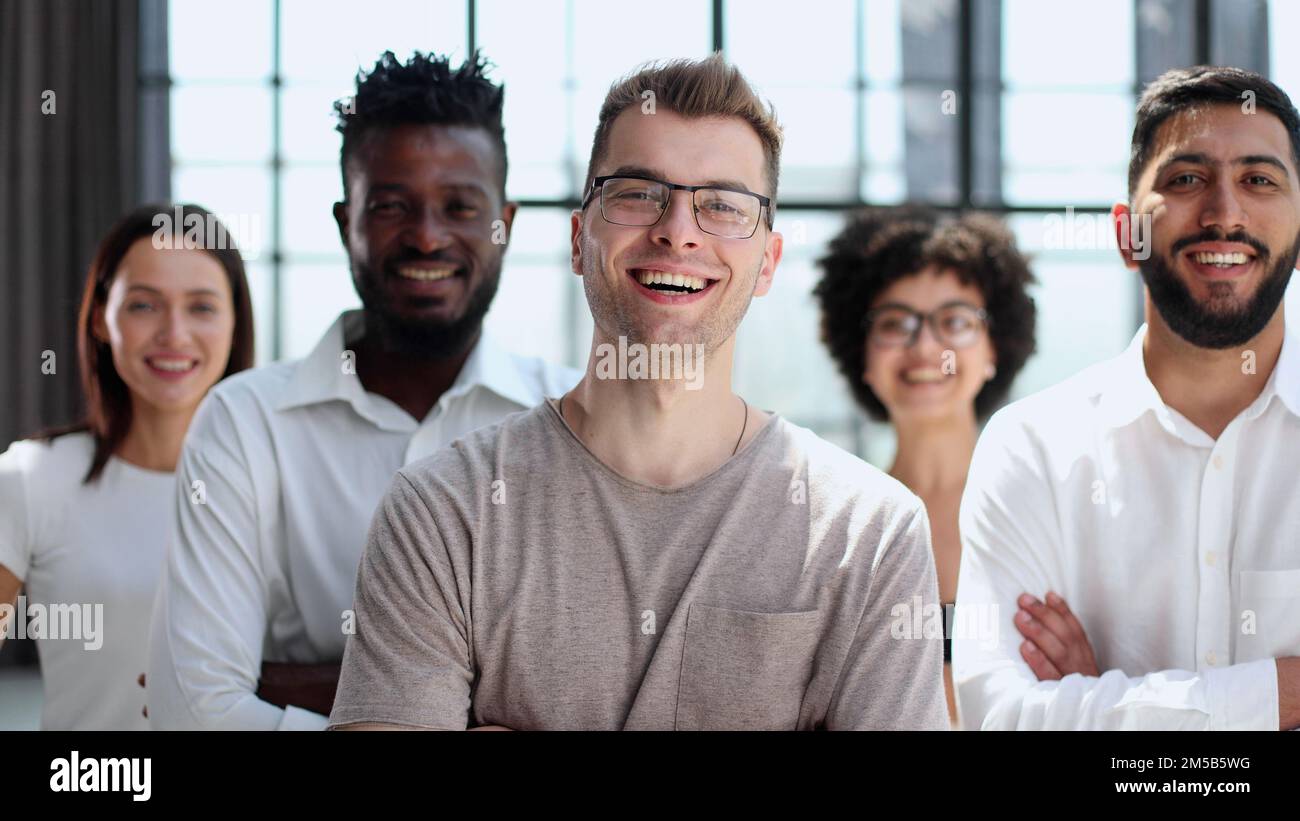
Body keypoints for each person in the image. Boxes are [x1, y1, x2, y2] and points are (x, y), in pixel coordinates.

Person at [328, 54, 949, 731]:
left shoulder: (870, 532)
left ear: (767, 261)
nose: (678, 229)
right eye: (637, 192)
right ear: (577, 238)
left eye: (721, 205)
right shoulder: (443, 515)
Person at [147, 51, 579, 730]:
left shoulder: (574, 421)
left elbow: (600, 698)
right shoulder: (244, 422)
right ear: (344, 220)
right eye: (390, 206)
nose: (427, 236)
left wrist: (303, 686)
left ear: (506, 224)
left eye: (460, 206)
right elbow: (189, 714)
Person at [954, 65, 1300, 730]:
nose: (1224, 213)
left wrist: (1103, 701)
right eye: (1186, 179)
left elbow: (1047, 719)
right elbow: (1000, 716)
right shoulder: (1032, 448)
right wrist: (1282, 693)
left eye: (1259, 180)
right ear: (1125, 233)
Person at [0, 203, 254, 729]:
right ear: (100, 318)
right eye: (144, 305)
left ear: (234, 322)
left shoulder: (277, 484)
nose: (174, 334)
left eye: (202, 307)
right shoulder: (32, 479)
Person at [813, 207, 1036, 722]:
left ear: (994, 348)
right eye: (896, 323)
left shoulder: (1041, 507)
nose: (926, 347)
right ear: (861, 355)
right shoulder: (834, 527)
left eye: (955, 321)